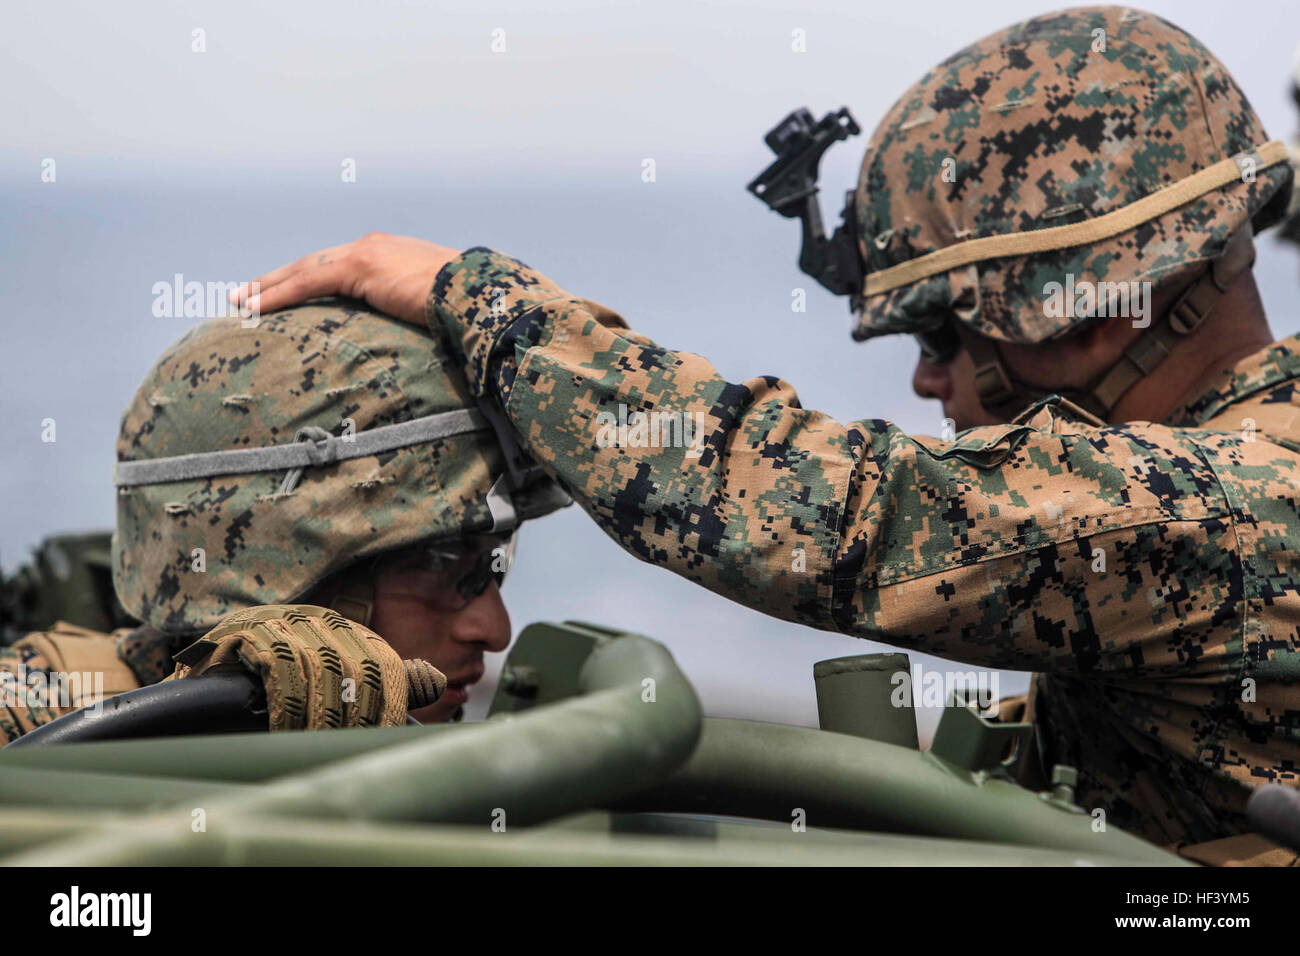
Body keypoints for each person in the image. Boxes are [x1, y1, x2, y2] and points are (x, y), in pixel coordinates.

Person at [229, 6, 1300, 852]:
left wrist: (484, 302)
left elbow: (846, 515)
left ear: (1086, 305)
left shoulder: (1235, 509)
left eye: (941, 327)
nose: (927, 376)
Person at [0, 298, 569, 740]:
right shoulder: (38, 708)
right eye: (440, 566)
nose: (496, 632)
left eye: (494, 564)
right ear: (273, 575)